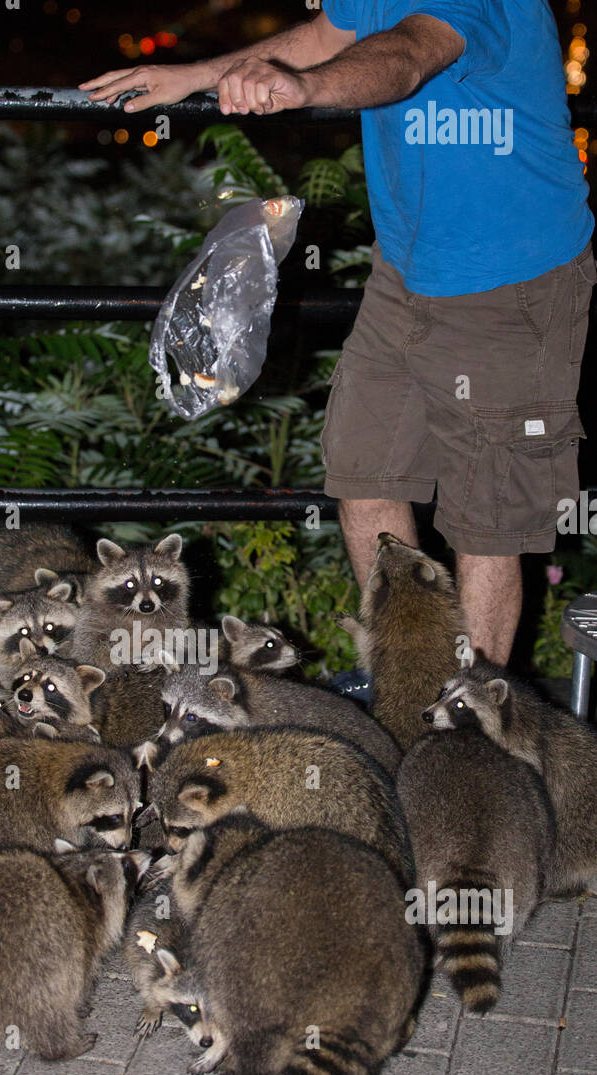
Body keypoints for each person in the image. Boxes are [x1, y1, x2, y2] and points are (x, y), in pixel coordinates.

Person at [80, 4, 595, 663]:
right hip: (405, 271)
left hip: (510, 282)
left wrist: (307, 88)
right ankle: (416, 686)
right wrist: (199, 76)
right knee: (365, 474)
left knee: (486, 527)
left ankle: (475, 733)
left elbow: (408, 57)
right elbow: (326, 36)